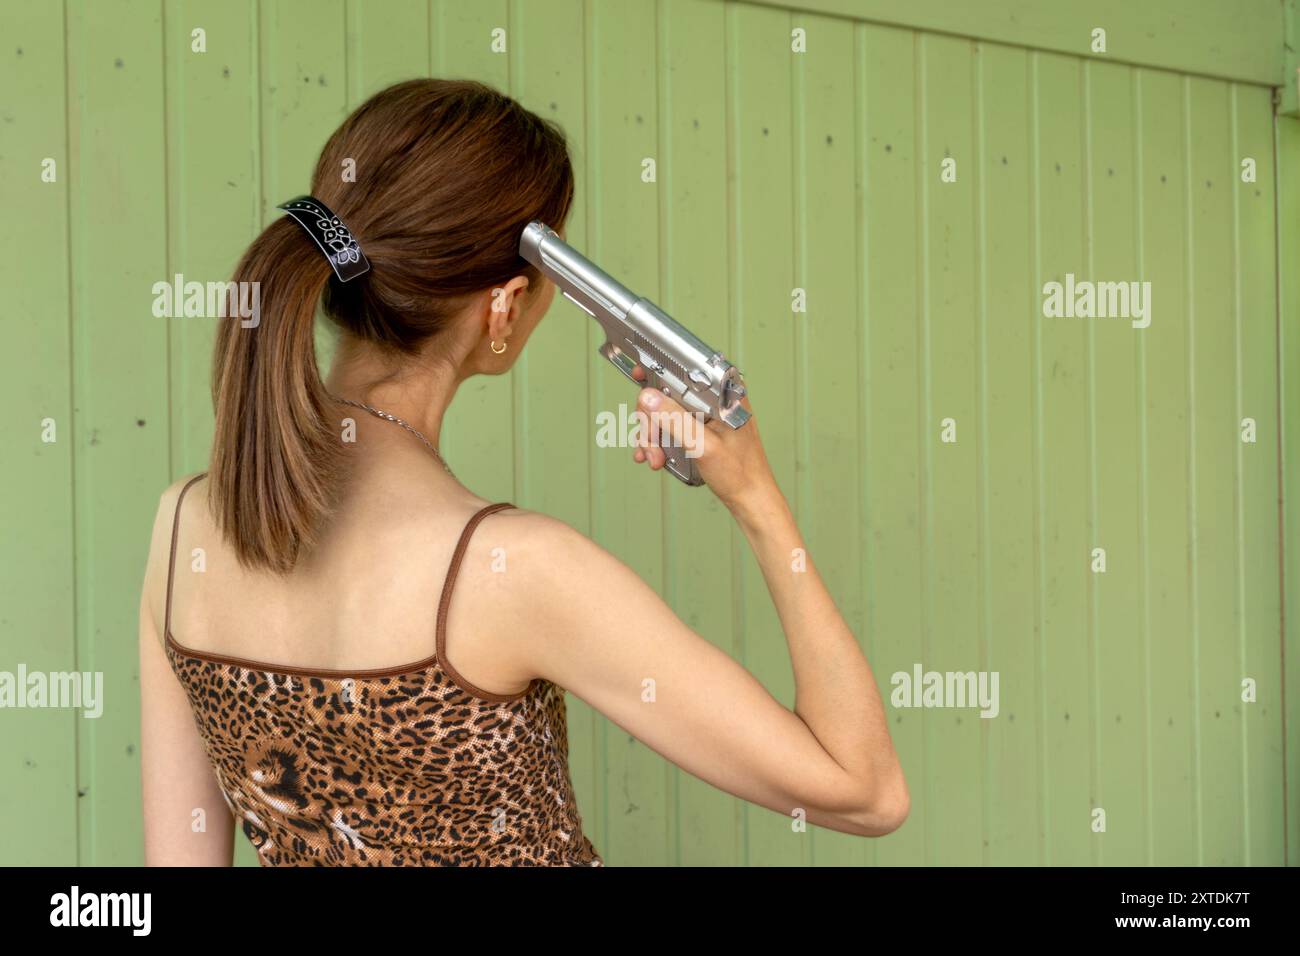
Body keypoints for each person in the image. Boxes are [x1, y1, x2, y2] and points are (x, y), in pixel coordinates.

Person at [138, 78, 907, 866]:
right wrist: (756, 498)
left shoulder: (184, 529)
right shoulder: (513, 570)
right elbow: (866, 792)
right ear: (502, 308)